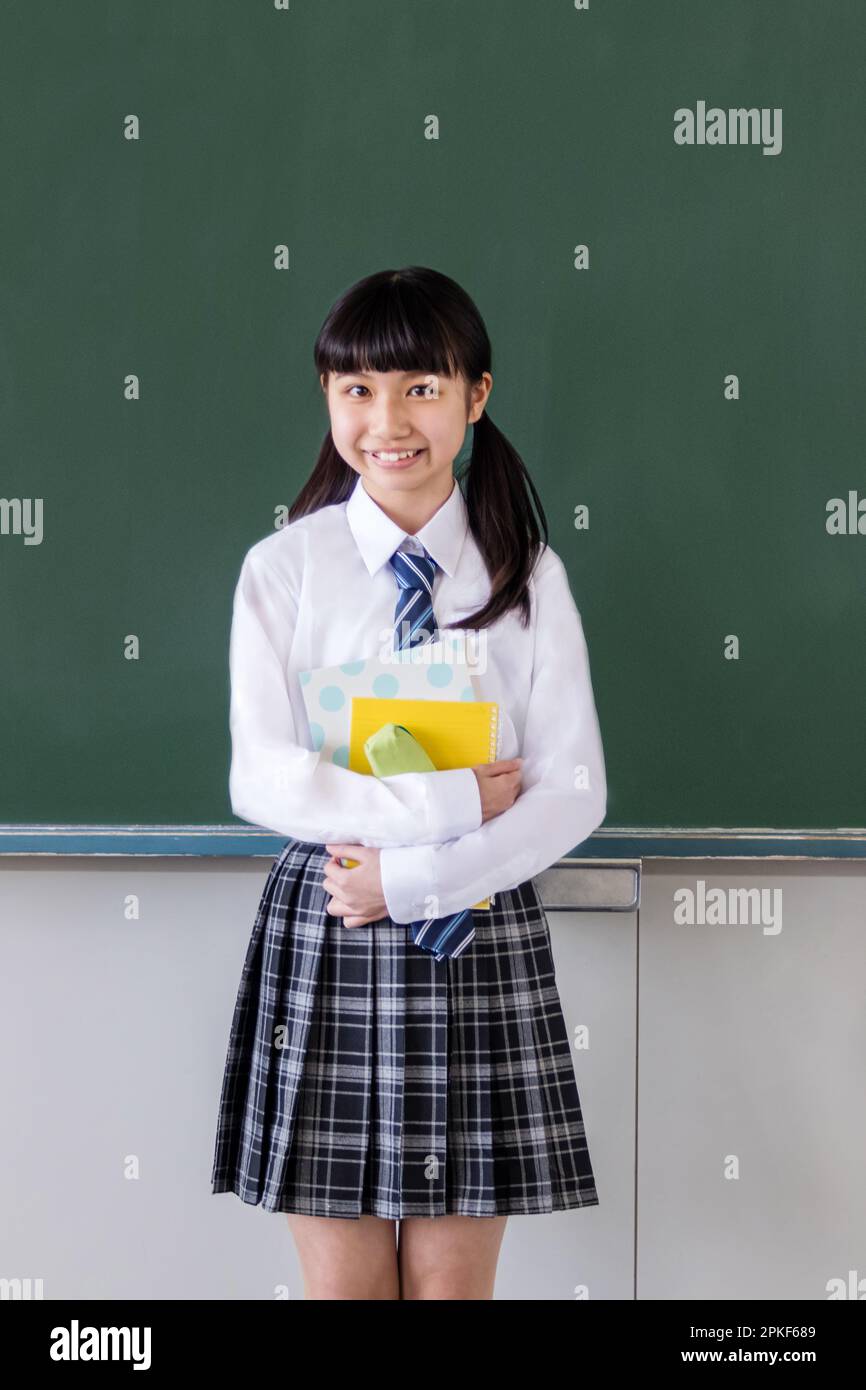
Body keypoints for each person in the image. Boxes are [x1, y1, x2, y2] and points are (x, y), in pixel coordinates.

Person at [211, 265, 607, 1300]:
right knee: (343, 1290)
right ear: (329, 399)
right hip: (334, 914)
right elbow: (264, 775)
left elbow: (571, 790)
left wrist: (418, 880)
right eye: (356, 390)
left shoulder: (525, 574)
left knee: (448, 1289)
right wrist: (437, 808)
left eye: (420, 388)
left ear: (475, 395)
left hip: (472, 924)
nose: (386, 420)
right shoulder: (284, 569)